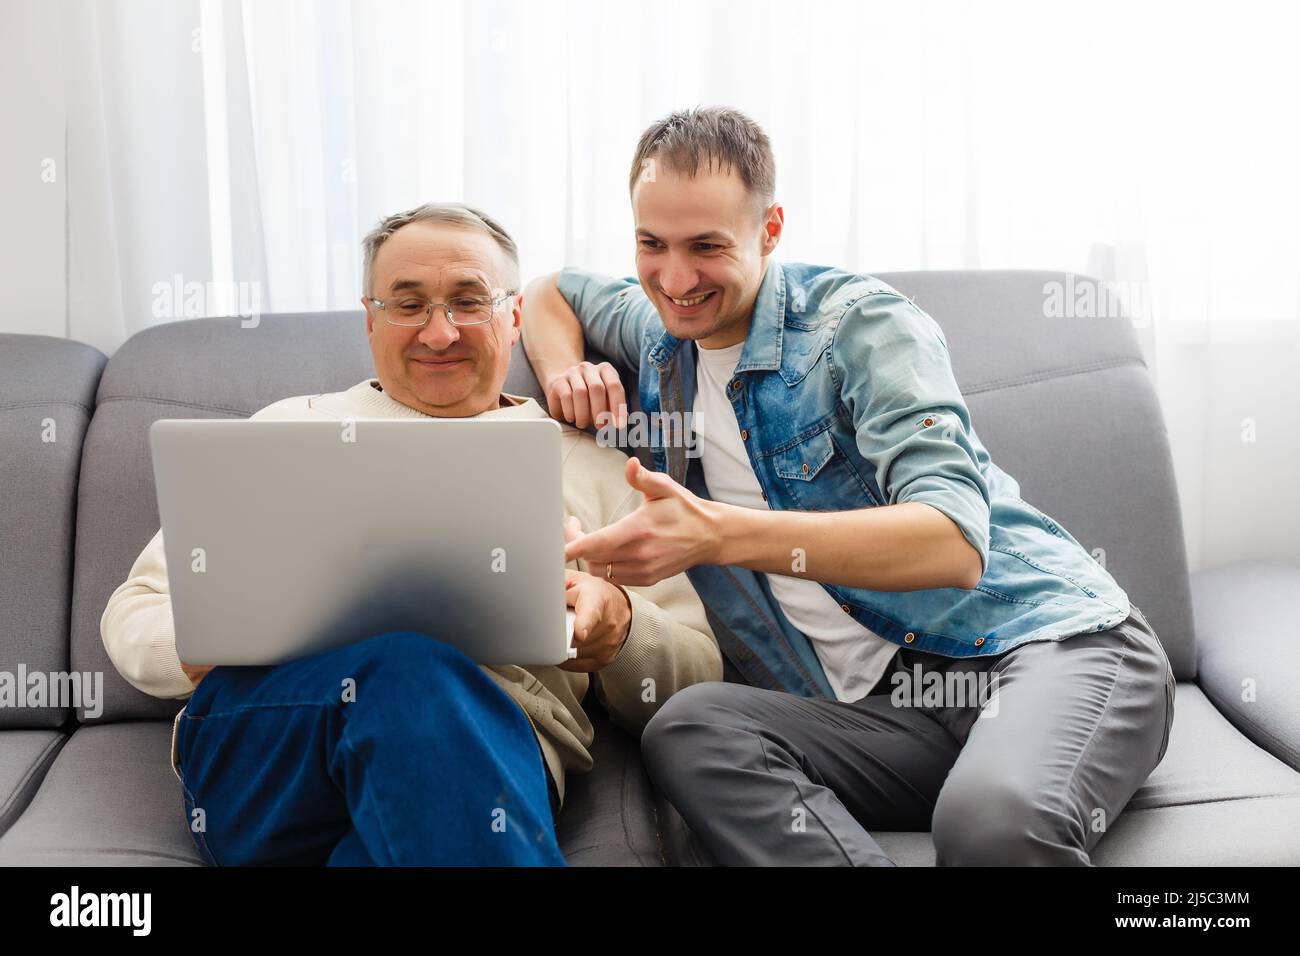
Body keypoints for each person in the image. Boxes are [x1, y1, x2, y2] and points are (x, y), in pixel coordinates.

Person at [521, 106, 1175, 866]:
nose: (674, 278)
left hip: (1042, 650)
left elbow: (953, 542)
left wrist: (716, 533)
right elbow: (548, 290)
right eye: (650, 244)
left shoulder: (860, 328)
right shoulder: (662, 334)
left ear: (769, 230)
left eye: (706, 246)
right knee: (692, 728)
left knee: (989, 829)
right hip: (887, 716)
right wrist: (569, 365)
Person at [101, 202, 721, 866]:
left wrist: (621, 630)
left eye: (467, 301)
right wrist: (198, 642)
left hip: (479, 758)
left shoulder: (597, 466)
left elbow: (696, 674)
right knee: (404, 667)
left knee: (407, 772)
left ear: (514, 319)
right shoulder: (285, 430)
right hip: (275, 740)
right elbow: (132, 611)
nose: (439, 332)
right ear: (371, 321)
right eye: (408, 305)